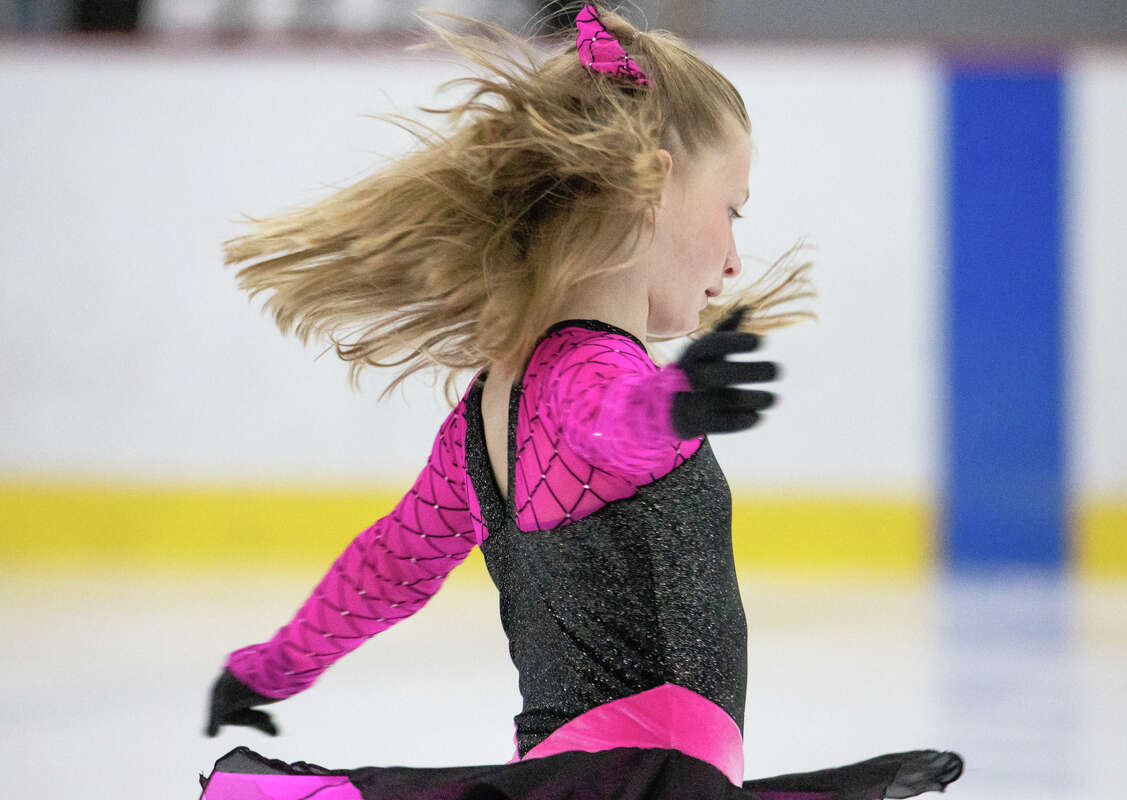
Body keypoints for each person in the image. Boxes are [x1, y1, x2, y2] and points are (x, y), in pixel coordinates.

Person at [199, 5, 964, 799]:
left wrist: (271, 668)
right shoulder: (590, 369)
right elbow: (602, 423)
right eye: (731, 209)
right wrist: (671, 404)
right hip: (640, 782)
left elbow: (391, 563)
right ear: (655, 186)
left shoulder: (480, 417)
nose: (736, 259)